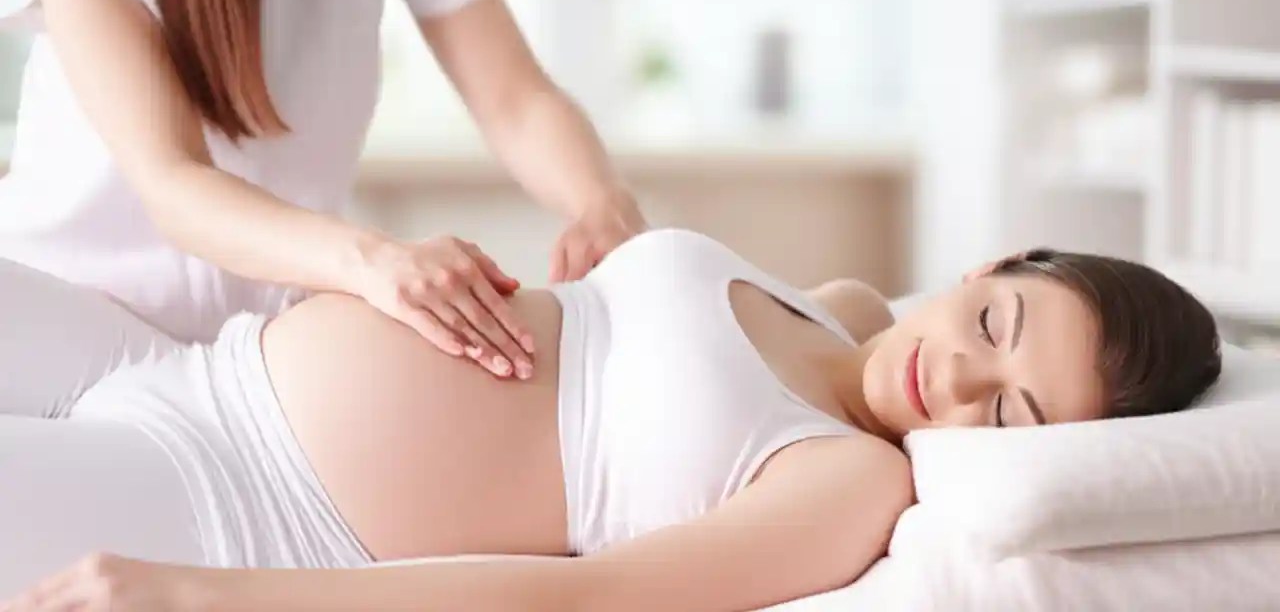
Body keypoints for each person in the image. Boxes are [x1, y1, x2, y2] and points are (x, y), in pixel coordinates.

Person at [0, 229, 1222, 611]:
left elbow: (578, 604)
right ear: (983, 270)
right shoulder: (837, 306)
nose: (954, 381)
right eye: (995, 326)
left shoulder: (848, 486)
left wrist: (201, 596)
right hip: (182, 365)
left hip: (229, 507)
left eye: (1009, 417)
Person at [0, 0, 645, 417]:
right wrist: (374, 261)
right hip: (64, 323)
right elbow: (174, 180)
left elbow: (515, 98)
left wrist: (598, 199)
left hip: (252, 347)